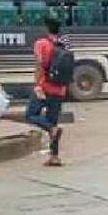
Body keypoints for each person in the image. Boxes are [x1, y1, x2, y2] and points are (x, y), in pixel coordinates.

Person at [27, 17, 69, 167]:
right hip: (60, 89)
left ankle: (51, 129)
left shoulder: (41, 43)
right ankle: (54, 157)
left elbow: (39, 65)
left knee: (31, 115)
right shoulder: (63, 45)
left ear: (46, 29)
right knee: (53, 120)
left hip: (45, 87)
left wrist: (37, 84)